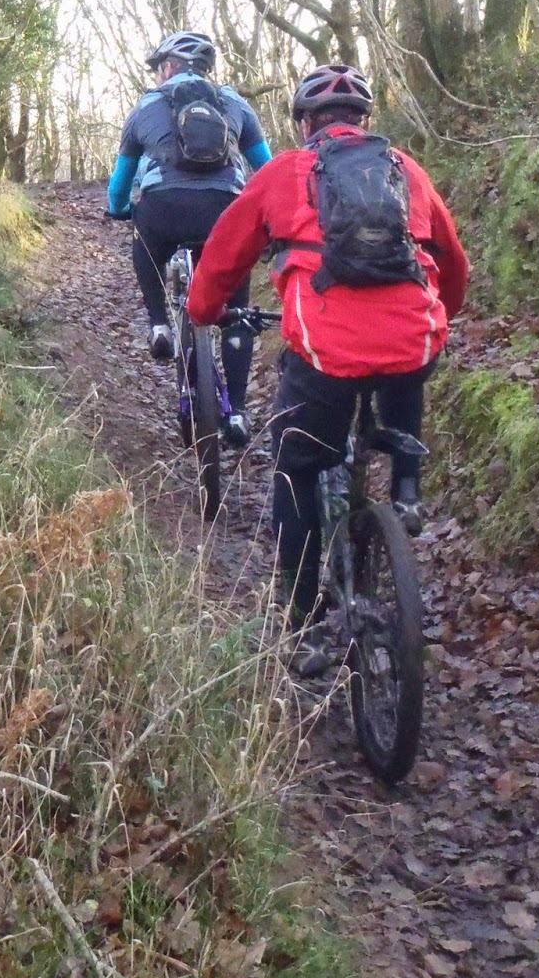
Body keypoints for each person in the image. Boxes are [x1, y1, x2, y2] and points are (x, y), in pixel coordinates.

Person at [186, 63, 468, 671]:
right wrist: (440, 311)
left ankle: (306, 628)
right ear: (364, 121)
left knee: (297, 469)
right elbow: (454, 261)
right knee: (406, 358)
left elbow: (222, 257)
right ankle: (407, 488)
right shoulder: (407, 170)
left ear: (305, 125)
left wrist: (204, 312)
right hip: (413, 336)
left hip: (325, 352)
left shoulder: (285, 173)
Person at [105, 30, 272, 447]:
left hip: (164, 209)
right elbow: (267, 170)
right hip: (225, 212)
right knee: (236, 306)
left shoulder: (147, 105)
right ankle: (237, 412)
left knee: (145, 240)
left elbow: (120, 183)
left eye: (158, 68)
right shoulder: (234, 103)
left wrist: (120, 209)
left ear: (168, 67)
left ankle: (159, 324)